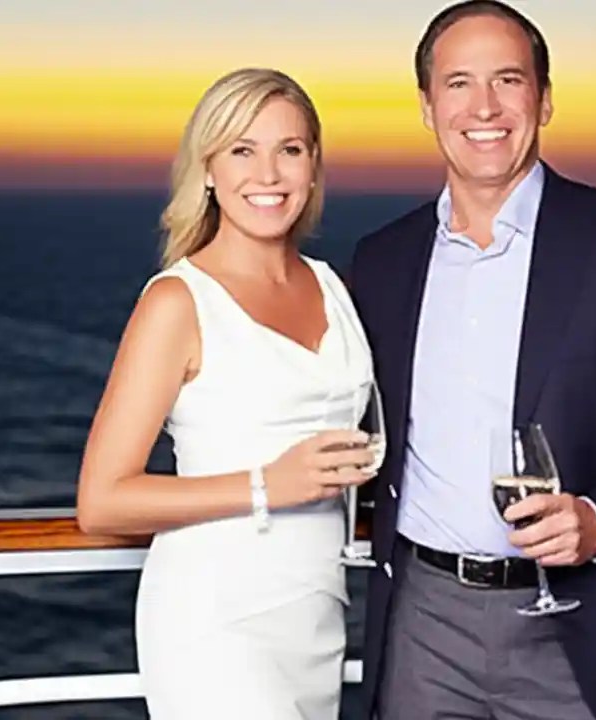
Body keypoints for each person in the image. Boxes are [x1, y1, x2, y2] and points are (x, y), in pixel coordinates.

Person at [349, 2, 596, 719]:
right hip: (422, 626)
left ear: (545, 98)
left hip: (582, 630)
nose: (485, 107)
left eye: (509, 79)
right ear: (427, 107)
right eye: (459, 83)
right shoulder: (380, 261)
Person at [75, 67, 377, 719]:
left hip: (318, 618)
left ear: (313, 166)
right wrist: (269, 483)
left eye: (288, 150)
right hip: (216, 621)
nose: (268, 174)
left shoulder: (334, 289)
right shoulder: (178, 302)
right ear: (207, 169)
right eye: (243, 149)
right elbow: (101, 501)